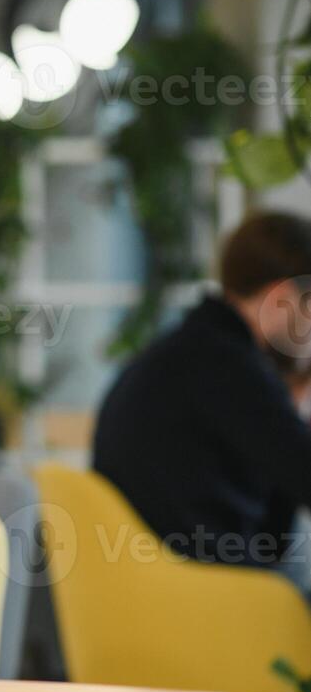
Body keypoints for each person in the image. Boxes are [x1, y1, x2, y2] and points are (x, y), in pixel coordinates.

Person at [93, 212, 311, 583]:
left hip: (144, 590)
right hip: (204, 591)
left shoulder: (187, 352)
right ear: (282, 300)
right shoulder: (229, 365)